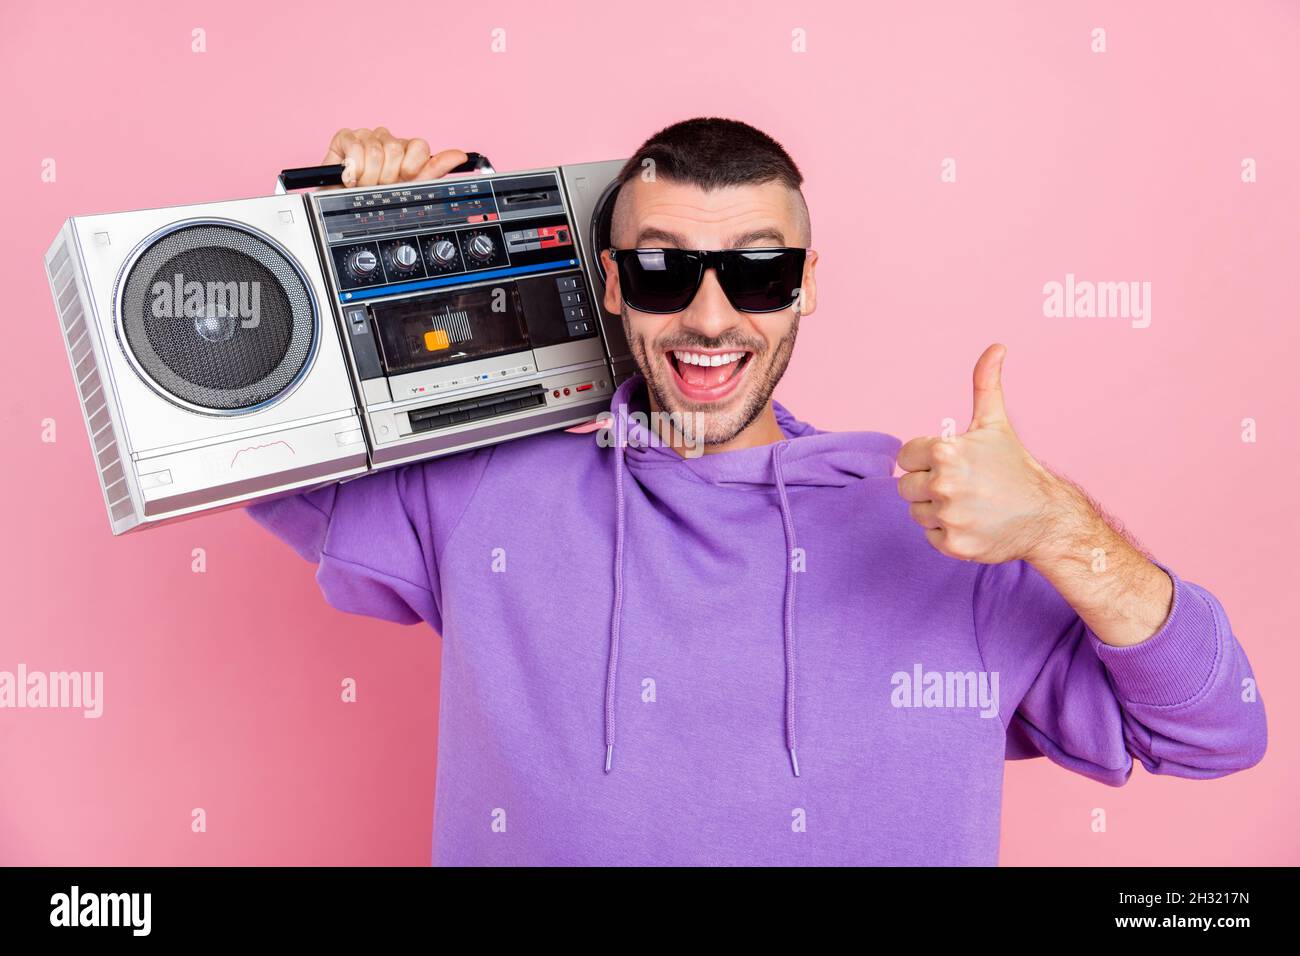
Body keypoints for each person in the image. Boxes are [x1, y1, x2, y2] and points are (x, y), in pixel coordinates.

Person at [248, 118, 1266, 865]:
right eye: (660, 270)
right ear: (609, 284)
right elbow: (244, 437)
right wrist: (347, 241)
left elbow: (1216, 728)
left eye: (757, 273)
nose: (708, 315)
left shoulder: (943, 516)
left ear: (807, 283)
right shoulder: (484, 491)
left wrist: (1054, 524)